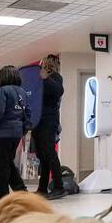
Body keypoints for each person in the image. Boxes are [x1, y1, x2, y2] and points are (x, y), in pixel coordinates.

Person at [0, 65, 31, 205]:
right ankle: (21, 192)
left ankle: (2, 200)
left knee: (0, 166)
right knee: (7, 163)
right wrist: (23, 129)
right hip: (16, 133)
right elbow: (27, 113)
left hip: (1, 133)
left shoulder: (3, 91)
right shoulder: (23, 92)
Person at [33, 54, 66, 199]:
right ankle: (42, 187)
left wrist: (45, 78)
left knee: (49, 153)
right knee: (42, 155)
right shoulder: (40, 79)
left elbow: (59, 90)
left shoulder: (56, 78)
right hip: (39, 120)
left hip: (48, 120)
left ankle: (59, 187)